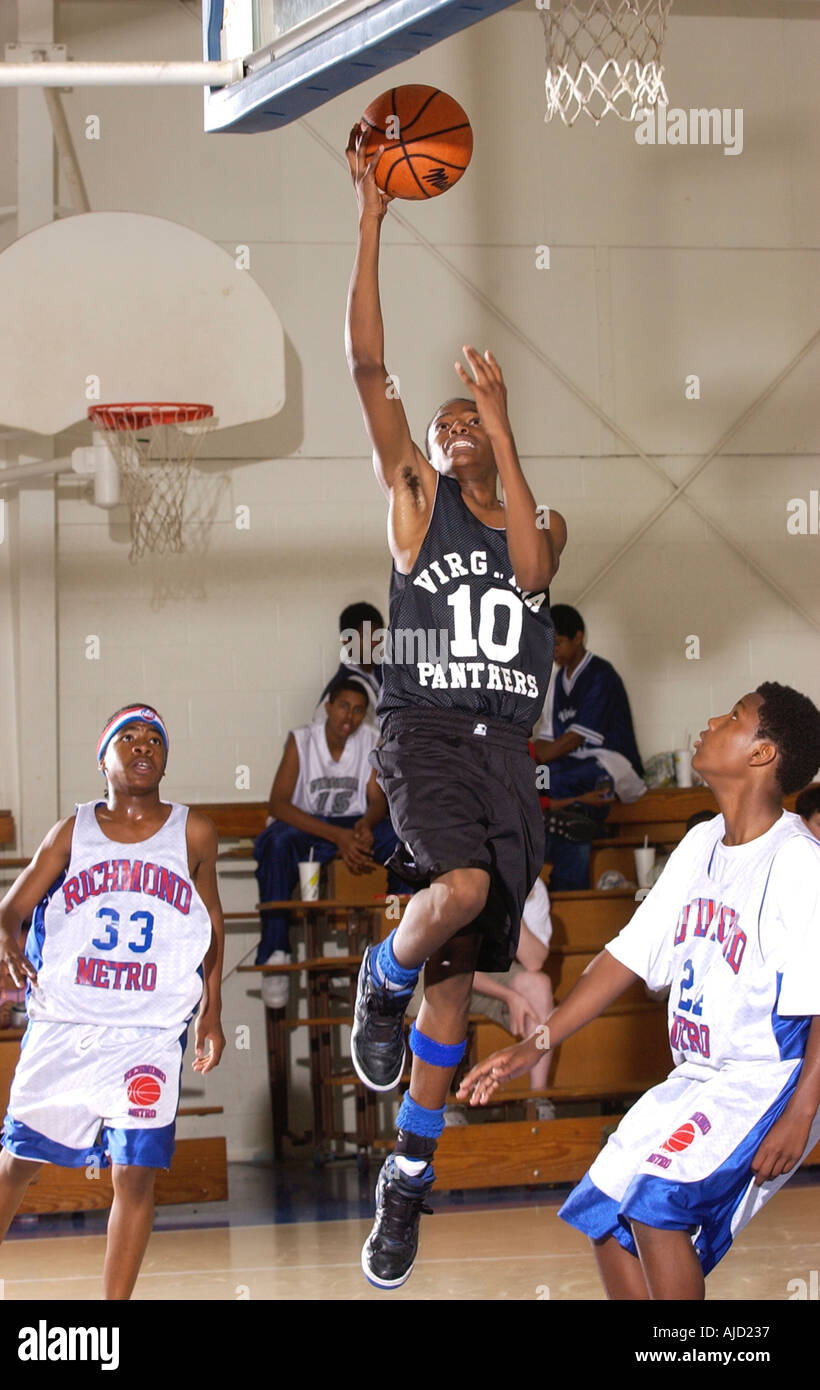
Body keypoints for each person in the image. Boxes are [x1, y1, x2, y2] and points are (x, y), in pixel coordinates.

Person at [344, 124, 566, 1289]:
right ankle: (376, 983)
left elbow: (532, 571)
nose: (449, 427)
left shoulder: (535, 514)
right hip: (426, 729)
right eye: (440, 425)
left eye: (466, 420)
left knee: (454, 981)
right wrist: (375, 217)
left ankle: (406, 1178)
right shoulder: (419, 503)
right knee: (461, 895)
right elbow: (367, 373)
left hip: (507, 756)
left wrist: (506, 417)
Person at [459, 682, 820, 1301]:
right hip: (697, 1074)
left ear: (762, 754)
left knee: (656, 1208)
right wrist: (533, 1045)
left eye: (733, 717)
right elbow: (624, 956)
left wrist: (803, 1112)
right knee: (605, 1208)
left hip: (765, 1077)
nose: (711, 719)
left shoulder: (796, 861)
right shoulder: (702, 842)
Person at [0, 704, 225, 1302]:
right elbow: (6, 911)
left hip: (150, 1031)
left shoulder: (194, 832)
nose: (142, 747)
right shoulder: (71, 830)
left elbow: (210, 927)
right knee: (20, 1157)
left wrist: (212, 1011)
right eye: (128, 738)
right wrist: (3, 940)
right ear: (103, 760)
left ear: (165, 758)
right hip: (68, 1020)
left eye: (154, 739)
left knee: (134, 1173)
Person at [254, 678, 409, 1005]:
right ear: (327, 708)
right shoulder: (302, 739)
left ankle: (400, 949)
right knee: (274, 842)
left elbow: (378, 801)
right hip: (308, 825)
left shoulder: (370, 740)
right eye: (343, 707)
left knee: (401, 840)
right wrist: (338, 837)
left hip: (352, 824)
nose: (348, 717)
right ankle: (275, 955)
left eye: (357, 710)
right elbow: (278, 804)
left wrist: (365, 825)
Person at [531, 603, 646, 889]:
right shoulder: (558, 681)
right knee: (534, 780)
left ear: (578, 637)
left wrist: (539, 755)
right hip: (570, 765)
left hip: (608, 763)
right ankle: (579, 818)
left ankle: (578, 821)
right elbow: (546, 737)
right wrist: (535, 759)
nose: (553, 652)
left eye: (557, 643)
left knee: (555, 778)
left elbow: (573, 739)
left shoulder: (600, 675)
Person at [470, 878, 555, 1105]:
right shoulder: (463, 874)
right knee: (445, 991)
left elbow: (534, 961)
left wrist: (510, 907)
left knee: (539, 985)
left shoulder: (532, 885)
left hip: (491, 972)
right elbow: (451, 964)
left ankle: (538, 1099)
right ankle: (441, 1103)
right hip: (448, 972)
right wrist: (509, 996)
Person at [313, 601, 385, 725]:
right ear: (347, 641)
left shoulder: (382, 672)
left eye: (378, 636)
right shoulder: (343, 687)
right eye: (366, 636)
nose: (374, 643)